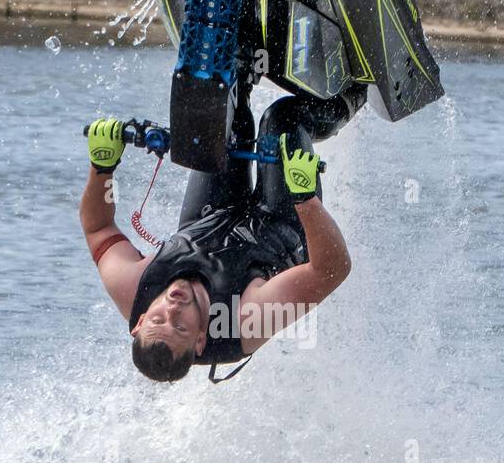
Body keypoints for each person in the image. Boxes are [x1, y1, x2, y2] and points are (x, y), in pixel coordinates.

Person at [79, 90, 364, 382]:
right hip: (283, 225)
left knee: (224, 118)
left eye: (157, 318)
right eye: (180, 327)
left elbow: (98, 227)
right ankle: (355, 93)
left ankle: (240, 56)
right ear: (200, 340)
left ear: (139, 322)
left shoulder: (133, 288)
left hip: (210, 213)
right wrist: (305, 200)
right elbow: (330, 270)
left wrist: (102, 168)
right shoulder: (246, 322)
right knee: (283, 117)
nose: (173, 309)